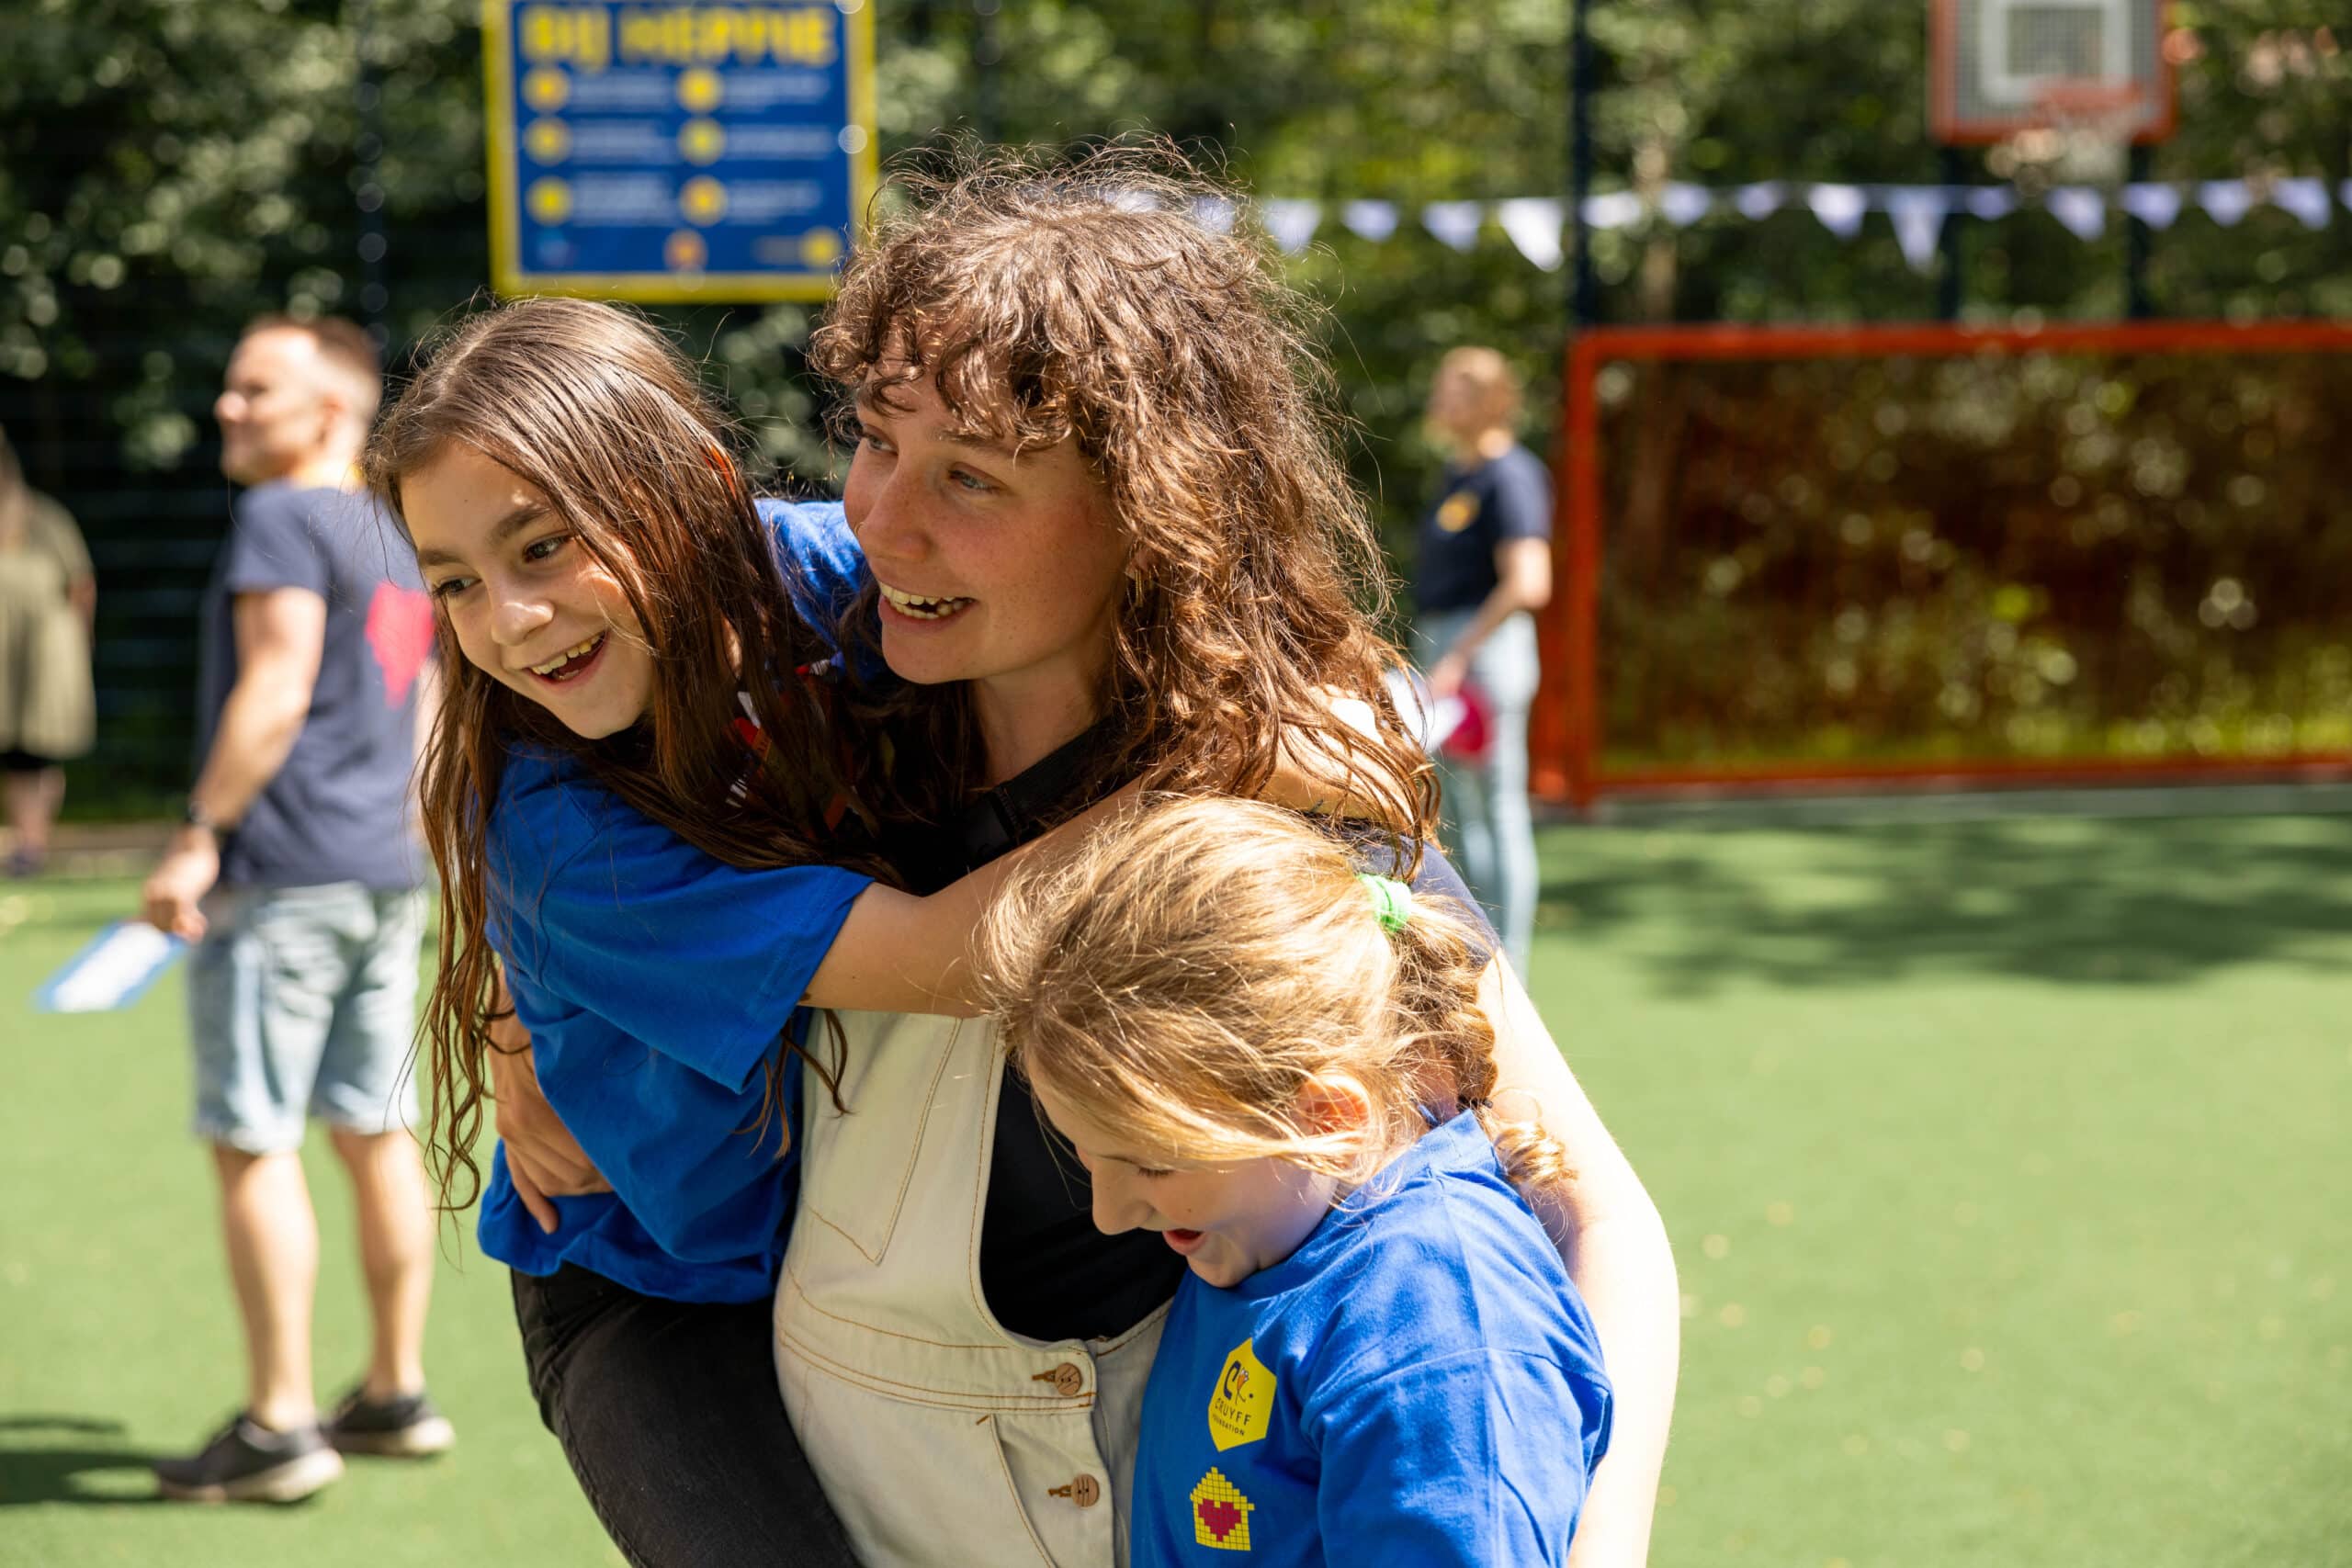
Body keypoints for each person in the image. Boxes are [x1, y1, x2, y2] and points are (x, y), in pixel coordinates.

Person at [454, 144, 1674, 1568]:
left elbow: (1586, 1198)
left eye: (972, 477)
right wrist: (505, 997)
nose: (880, 516)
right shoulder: (818, 700)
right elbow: (546, 706)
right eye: (873, 436)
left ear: (1156, 503)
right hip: (810, 1443)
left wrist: (1608, 1526)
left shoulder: (1285, 802)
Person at [363, 294, 1364, 1565]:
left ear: (701, 492)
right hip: (651, 1285)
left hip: (845, 1234)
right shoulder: (563, 831)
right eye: (456, 581)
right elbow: (947, 956)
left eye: (544, 546)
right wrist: (1234, 765)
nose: (509, 618)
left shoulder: (828, 581)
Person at [980, 795, 1614, 1566]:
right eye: (1090, 1158)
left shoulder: (1436, 1337)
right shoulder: (1280, 1225)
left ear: (1325, 1118)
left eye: (1152, 1161)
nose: (1111, 1214)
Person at [140, 315, 450, 1504]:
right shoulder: (389, 526)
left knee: (254, 1136)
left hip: (281, 873)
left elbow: (274, 684)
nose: (229, 405)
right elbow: (425, 693)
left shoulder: (280, 517)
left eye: (255, 388)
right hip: (383, 871)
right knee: (377, 1127)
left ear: (331, 410)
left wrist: (199, 833)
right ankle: (393, 1388)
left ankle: (280, 1423)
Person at [1412, 346, 1554, 975]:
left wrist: (1462, 654)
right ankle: (1476, 956)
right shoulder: (1458, 476)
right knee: (1461, 812)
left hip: (1483, 657)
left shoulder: (1510, 474)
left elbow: (1530, 580)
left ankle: (1508, 969)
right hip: (1448, 650)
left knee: (1497, 807)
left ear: (1491, 399)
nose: (1440, 400)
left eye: (1455, 389)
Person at [0, 426, 96, 877]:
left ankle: (30, 845)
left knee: (35, 751)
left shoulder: (45, 516)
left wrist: (83, 641)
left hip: (44, 650)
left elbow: (80, 584)